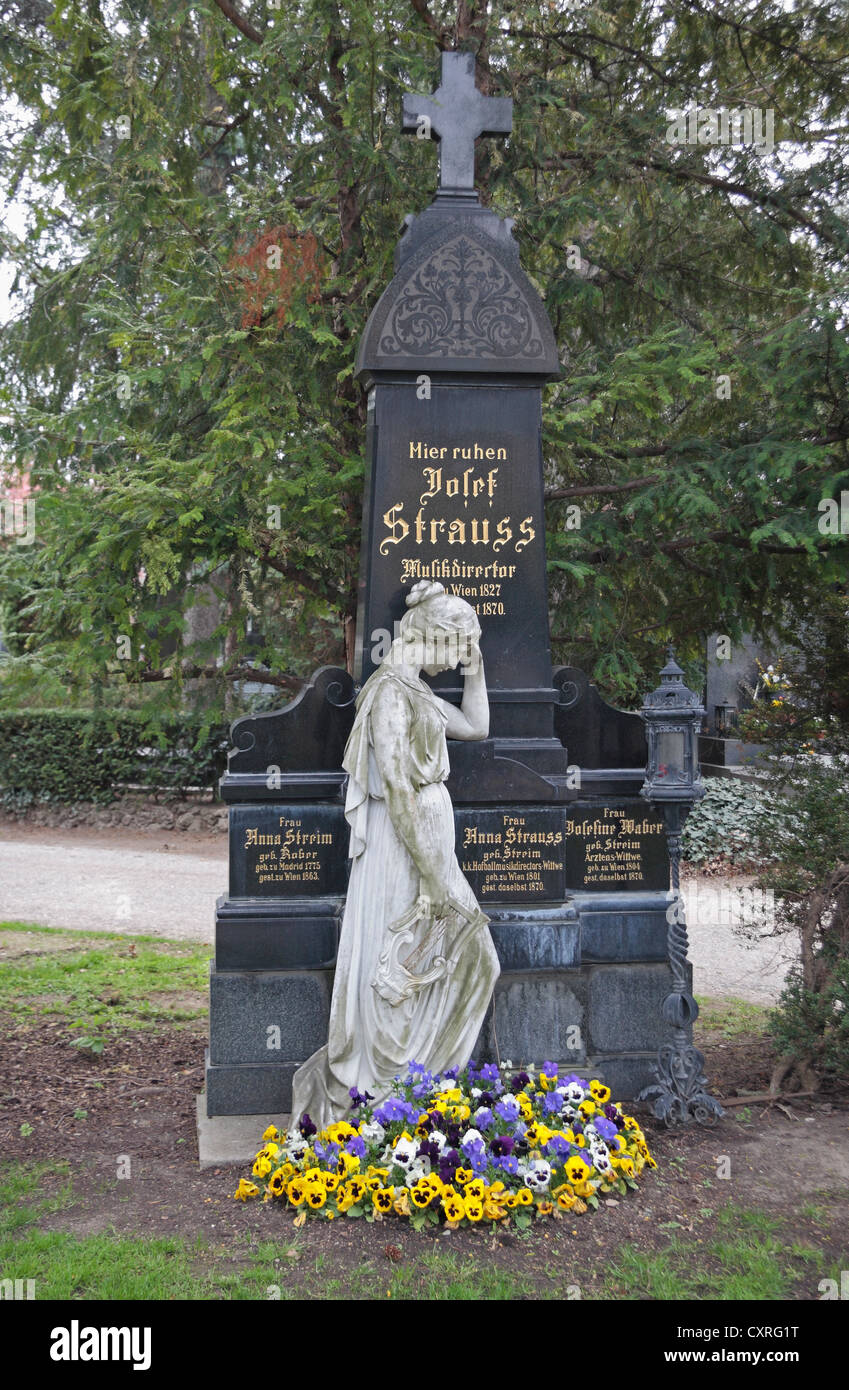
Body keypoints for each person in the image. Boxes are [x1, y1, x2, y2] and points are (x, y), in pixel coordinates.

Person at [289, 580, 500, 1130]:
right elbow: (400, 790)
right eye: (461, 648)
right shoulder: (388, 693)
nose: (460, 661)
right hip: (403, 851)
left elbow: (477, 727)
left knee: (470, 958)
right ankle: (387, 1089)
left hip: (428, 848)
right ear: (437, 637)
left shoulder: (418, 689)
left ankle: (420, 1083)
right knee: (405, 962)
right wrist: (432, 876)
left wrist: (476, 670)